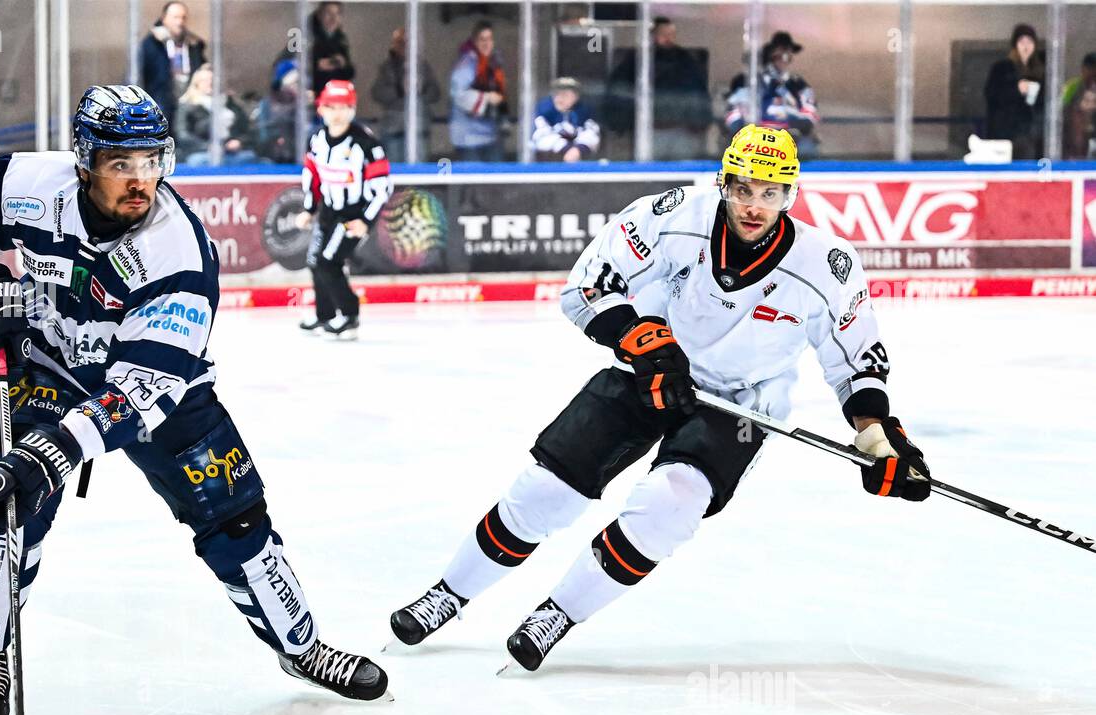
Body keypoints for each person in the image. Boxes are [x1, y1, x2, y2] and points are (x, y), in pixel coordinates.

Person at [0, 85, 391, 715]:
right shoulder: (31, 182)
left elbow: (141, 392)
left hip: (162, 395)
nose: (139, 180)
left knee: (237, 520)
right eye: (120, 164)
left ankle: (301, 646)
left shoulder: (181, 252)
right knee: (5, 503)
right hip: (50, 368)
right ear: (84, 161)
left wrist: (53, 452)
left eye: (151, 162)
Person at [389, 124, 931, 671]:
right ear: (725, 182)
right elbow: (585, 286)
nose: (754, 205)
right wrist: (641, 340)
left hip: (743, 403)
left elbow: (857, 360)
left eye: (770, 193)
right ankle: (448, 594)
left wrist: (877, 436)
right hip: (653, 370)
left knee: (671, 504)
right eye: (744, 188)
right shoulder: (677, 217)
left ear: (789, 195)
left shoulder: (824, 264)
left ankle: (558, 612)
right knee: (546, 489)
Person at [295, 80, 392, 339]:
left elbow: (382, 188)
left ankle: (349, 317)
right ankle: (323, 316)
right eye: (331, 106)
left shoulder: (367, 144)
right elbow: (312, 175)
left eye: (344, 107)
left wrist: (365, 220)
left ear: (352, 109)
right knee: (316, 261)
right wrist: (309, 208)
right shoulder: (316, 139)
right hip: (328, 210)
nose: (337, 113)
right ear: (321, 109)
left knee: (329, 263)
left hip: (353, 214)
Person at [604, 17, 710, 160]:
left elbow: (698, 91)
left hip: (682, 130)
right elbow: (619, 90)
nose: (668, 38)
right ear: (653, 35)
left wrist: (699, 121)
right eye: (663, 34)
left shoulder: (685, 60)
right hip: (650, 129)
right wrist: (621, 122)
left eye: (671, 34)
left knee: (682, 172)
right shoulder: (637, 59)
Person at [725, 31, 820, 159]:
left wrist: (787, 125)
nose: (783, 59)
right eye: (779, 54)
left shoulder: (798, 84)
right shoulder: (751, 82)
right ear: (770, 55)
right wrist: (749, 132)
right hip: (755, 142)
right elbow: (734, 116)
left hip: (789, 140)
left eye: (787, 54)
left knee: (806, 148)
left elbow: (809, 117)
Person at [371, 26, 441, 163]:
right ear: (394, 44)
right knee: (396, 175)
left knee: (419, 175)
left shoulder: (423, 67)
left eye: (408, 42)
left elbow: (436, 93)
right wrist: (400, 90)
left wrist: (420, 92)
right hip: (393, 131)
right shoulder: (386, 68)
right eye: (400, 42)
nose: (404, 46)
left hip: (418, 130)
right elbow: (377, 93)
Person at [139, 2, 206, 133]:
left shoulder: (194, 45)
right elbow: (138, 76)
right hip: (160, 103)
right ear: (164, 19)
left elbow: (202, 71)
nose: (179, 22)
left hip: (189, 102)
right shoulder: (151, 45)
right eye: (175, 17)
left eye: (183, 18)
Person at [984, 23, 1046, 161]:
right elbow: (991, 95)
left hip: (1031, 134)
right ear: (1015, 45)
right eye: (1021, 41)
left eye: (1029, 42)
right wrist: (1017, 89)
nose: (1026, 46)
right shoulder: (1002, 68)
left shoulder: (1041, 70)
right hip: (1005, 134)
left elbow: (1045, 102)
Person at [449, 21, 509, 162]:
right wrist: (487, 97)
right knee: (471, 180)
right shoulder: (467, 63)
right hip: (468, 138)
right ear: (475, 42)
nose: (486, 43)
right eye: (482, 39)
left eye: (490, 39)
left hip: (491, 135)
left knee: (495, 180)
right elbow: (458, 94)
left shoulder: (493, 64)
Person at [175, 64, 257, 166]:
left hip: (232, 154)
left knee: (250, 158)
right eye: (205, 80)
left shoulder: (230, 105)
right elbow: (183, 135)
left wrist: (239, 142)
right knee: (198, 161)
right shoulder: (187, 106)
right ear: (196, 84)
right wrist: (208, 146)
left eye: (213, 80)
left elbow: (247, 130)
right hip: (202, 153)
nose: (210, 83)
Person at [531, 77, 600, 162]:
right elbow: (539, 138)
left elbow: (592, 134)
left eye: (565, 95)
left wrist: (578, 149)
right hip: (547, 164)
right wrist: (566, 148)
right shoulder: (545, 110)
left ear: (576, 97)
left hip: (580, 162)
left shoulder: (584, 111)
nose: (559, 98)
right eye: (556, 94)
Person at [253, 59, 303, 164]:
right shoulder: (269, 103)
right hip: (275, 153)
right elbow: (265, 133)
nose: (298, 87)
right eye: (295, 83)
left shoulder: (303, 102)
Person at [310, 2, 355, 94]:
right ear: (320, 16)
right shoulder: (307, 38)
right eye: (328, 13)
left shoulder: (341, 40)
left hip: (336, 95)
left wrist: (344, 65)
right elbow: (294, 66)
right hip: (314, 94)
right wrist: (316, 66)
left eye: (337, 14)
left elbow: (349, 73)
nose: (333, 18)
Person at [1063, 52, 1096, 159]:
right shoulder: (1072, 86)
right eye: (1089, 69)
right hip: (1075, 136)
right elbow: (1062, 110)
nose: (1092, 73)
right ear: (1083, 69)